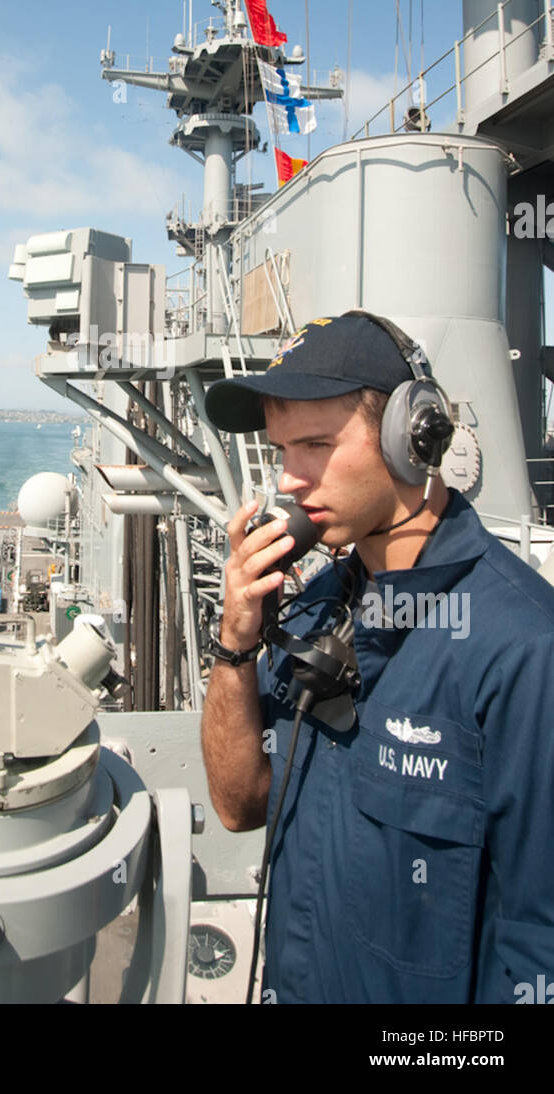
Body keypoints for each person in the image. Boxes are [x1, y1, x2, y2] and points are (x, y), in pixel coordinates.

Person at [201, 311, 554, 1004]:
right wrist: (236, 641)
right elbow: (240, 805)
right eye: (281, 451)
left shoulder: (523, 649)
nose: (289, 481)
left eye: (316, 446)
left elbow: (537, 940)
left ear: (411, 438)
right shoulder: (318, 604)